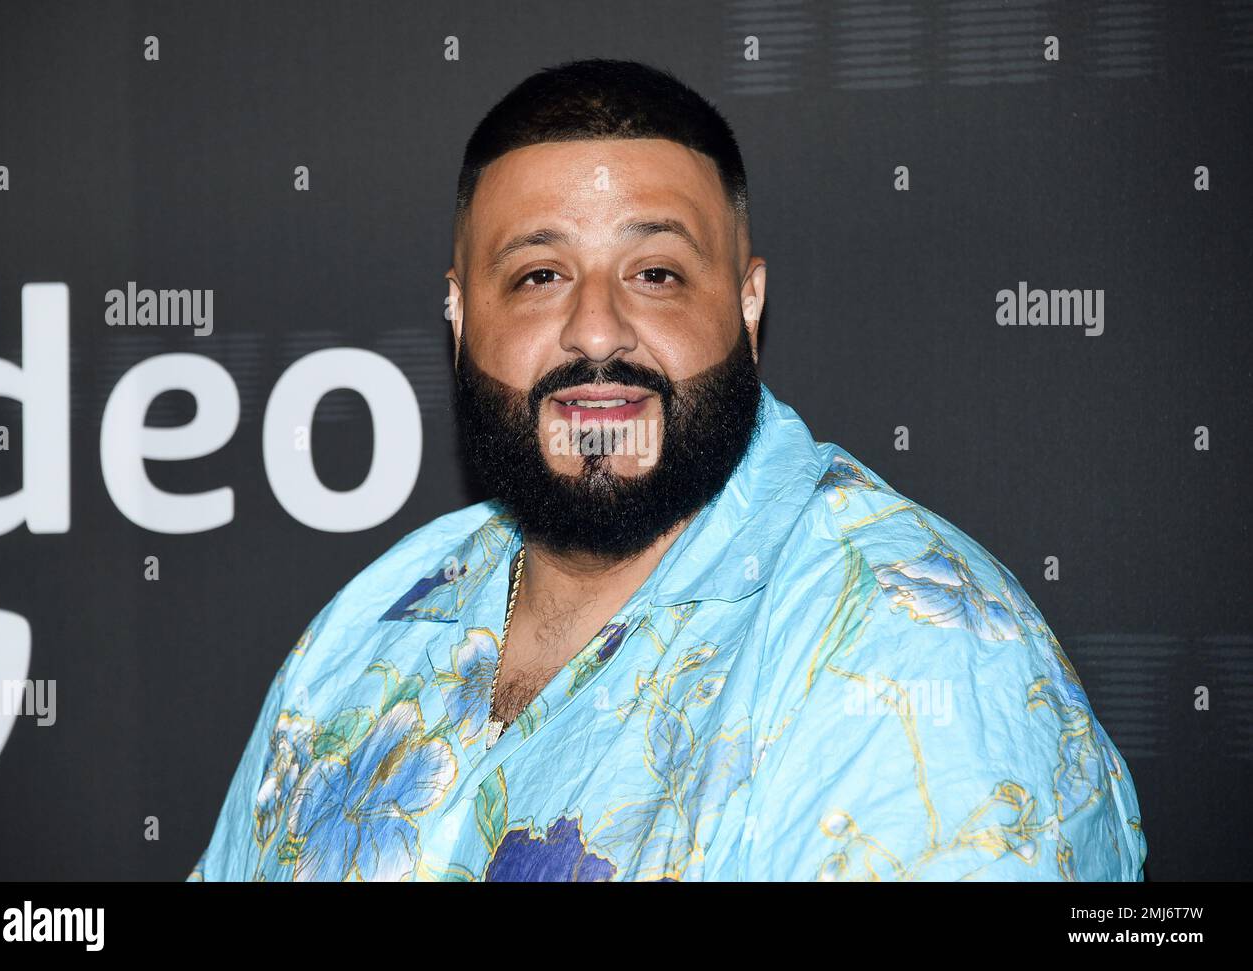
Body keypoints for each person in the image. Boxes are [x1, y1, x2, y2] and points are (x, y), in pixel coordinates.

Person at [189, 58, 1146, 881]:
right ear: (458, 317)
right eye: (538, 275)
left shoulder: (910, 650)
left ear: (747, 302)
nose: (596, 329)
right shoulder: (360, 633)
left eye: (656, 273)